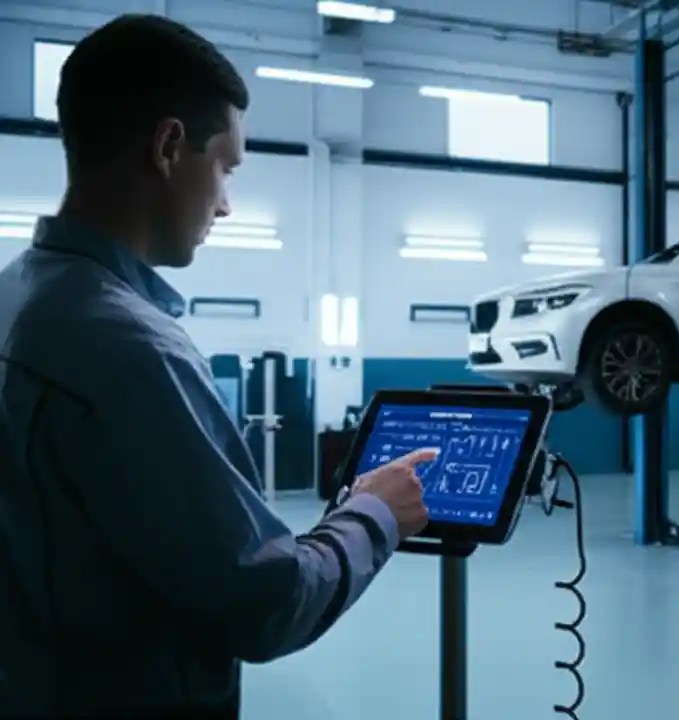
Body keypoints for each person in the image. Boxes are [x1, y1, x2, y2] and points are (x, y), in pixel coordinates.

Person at [0, 14, 433, 718]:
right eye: (226, 167)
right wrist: (375, 513)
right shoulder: (130, 352)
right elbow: (266, 602)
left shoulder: (16, 294)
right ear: (169, 146)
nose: (226, 203)